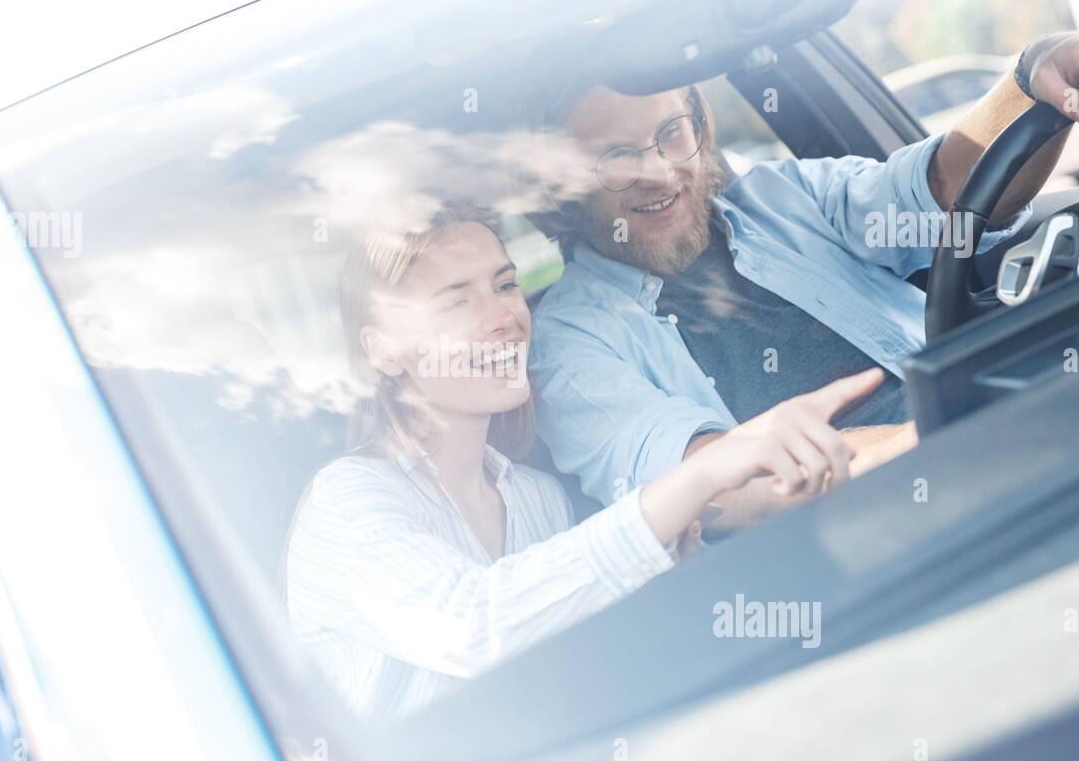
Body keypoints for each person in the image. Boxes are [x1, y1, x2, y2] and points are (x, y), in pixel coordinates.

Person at [283, 202, 883, 723]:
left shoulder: (535, 498)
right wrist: (700, 474)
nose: (502, 317)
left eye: (503, 284)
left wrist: (662, 582)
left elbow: (583, 675)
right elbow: (475, 627)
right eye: (454, 302)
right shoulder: (347, 502)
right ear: (383, 348)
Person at [524, 31, 1079, 531]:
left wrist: (1042, 70)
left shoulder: (785, 199)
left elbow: (941, 190)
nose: (658, 173)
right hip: (871, 544)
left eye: (671, 134)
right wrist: (967, 435)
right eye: (616, 158)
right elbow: (710, 484)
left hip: (1015, 459)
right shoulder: (570, 345)